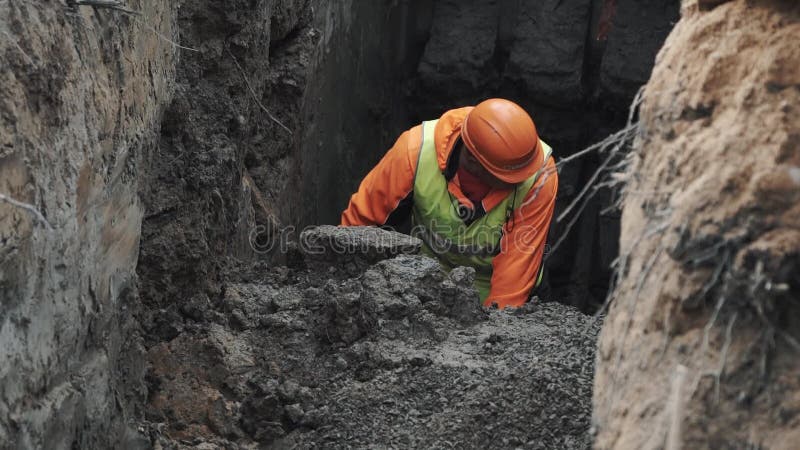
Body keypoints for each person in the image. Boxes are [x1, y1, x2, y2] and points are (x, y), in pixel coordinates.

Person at [340, 98, 558, 308]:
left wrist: (492, 337)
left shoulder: (538, 176)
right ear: (473, 161)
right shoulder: (414, 152)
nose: (522, 179)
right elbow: (358, 227)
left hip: (502, 298)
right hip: (426, 290)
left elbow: (512, 283)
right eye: (511, 177)